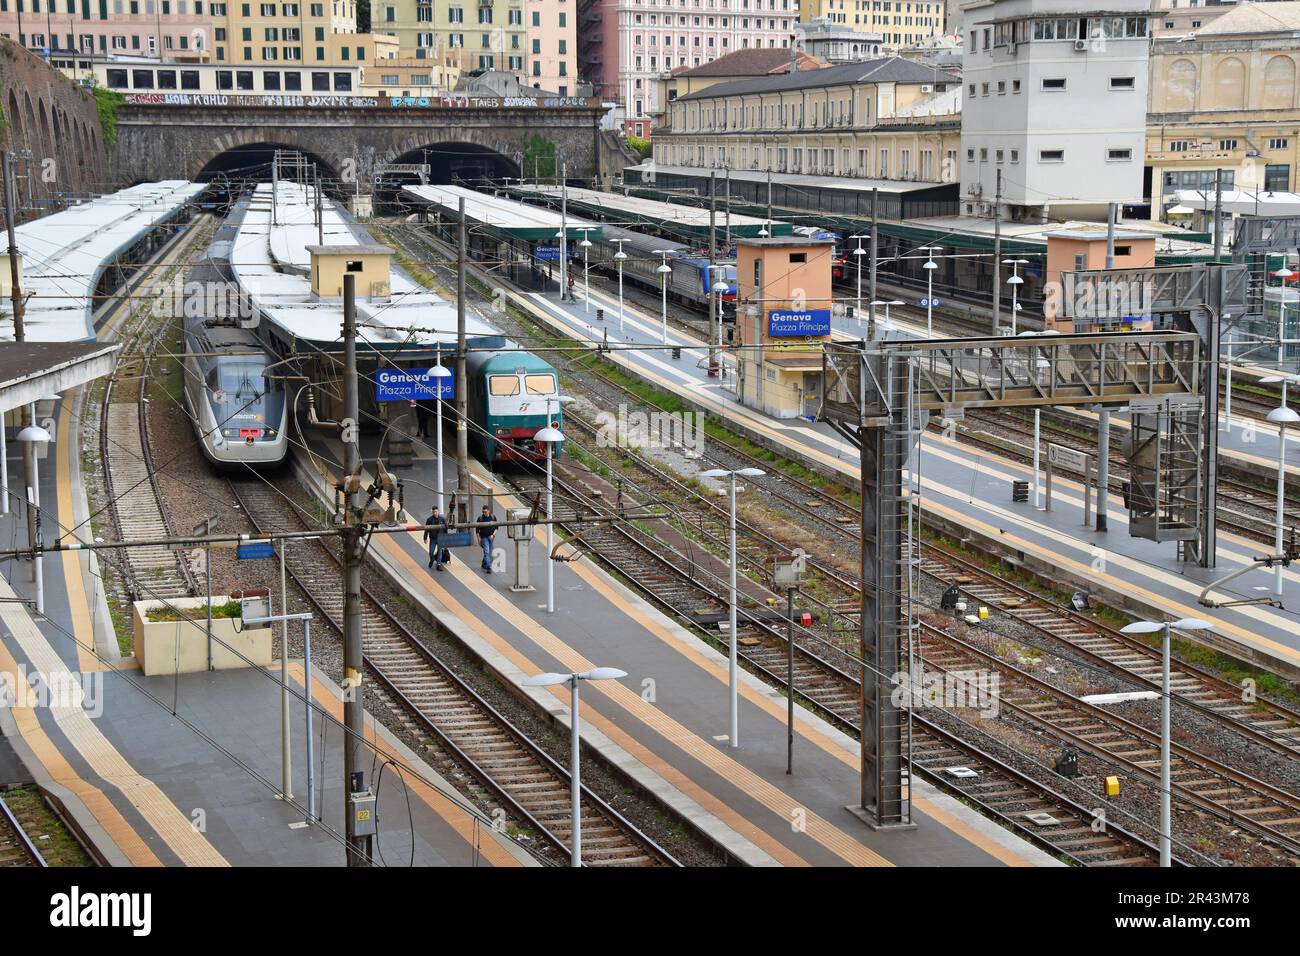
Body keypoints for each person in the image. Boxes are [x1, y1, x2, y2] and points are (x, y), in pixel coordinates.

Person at [476, 503, 498, 573]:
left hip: (491, 537)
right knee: (487, 551)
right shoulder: (480, 518)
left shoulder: (493, 517)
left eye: (485, 512)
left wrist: (493, 535)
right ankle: (489, 567)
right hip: (484, 537)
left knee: (490, 552)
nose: (484, 513)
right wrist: (479, 539)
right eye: (483, 512)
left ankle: (484, 563)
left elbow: (496, 528)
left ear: (489, 511)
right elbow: (477, 530)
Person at [423, 506, 445, 571]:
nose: (435, 513)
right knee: (431, 552)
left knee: (440, 551)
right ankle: (432, 559)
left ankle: (439, 564)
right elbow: (426, 529)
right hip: (433, 538)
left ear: (438, 511)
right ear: (432, 512)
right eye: (433, 512)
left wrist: (446, 538)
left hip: (440, 538)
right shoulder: (429, 520)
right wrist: (425, 538)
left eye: (436, 511)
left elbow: (445, 529)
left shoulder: (442, 519)